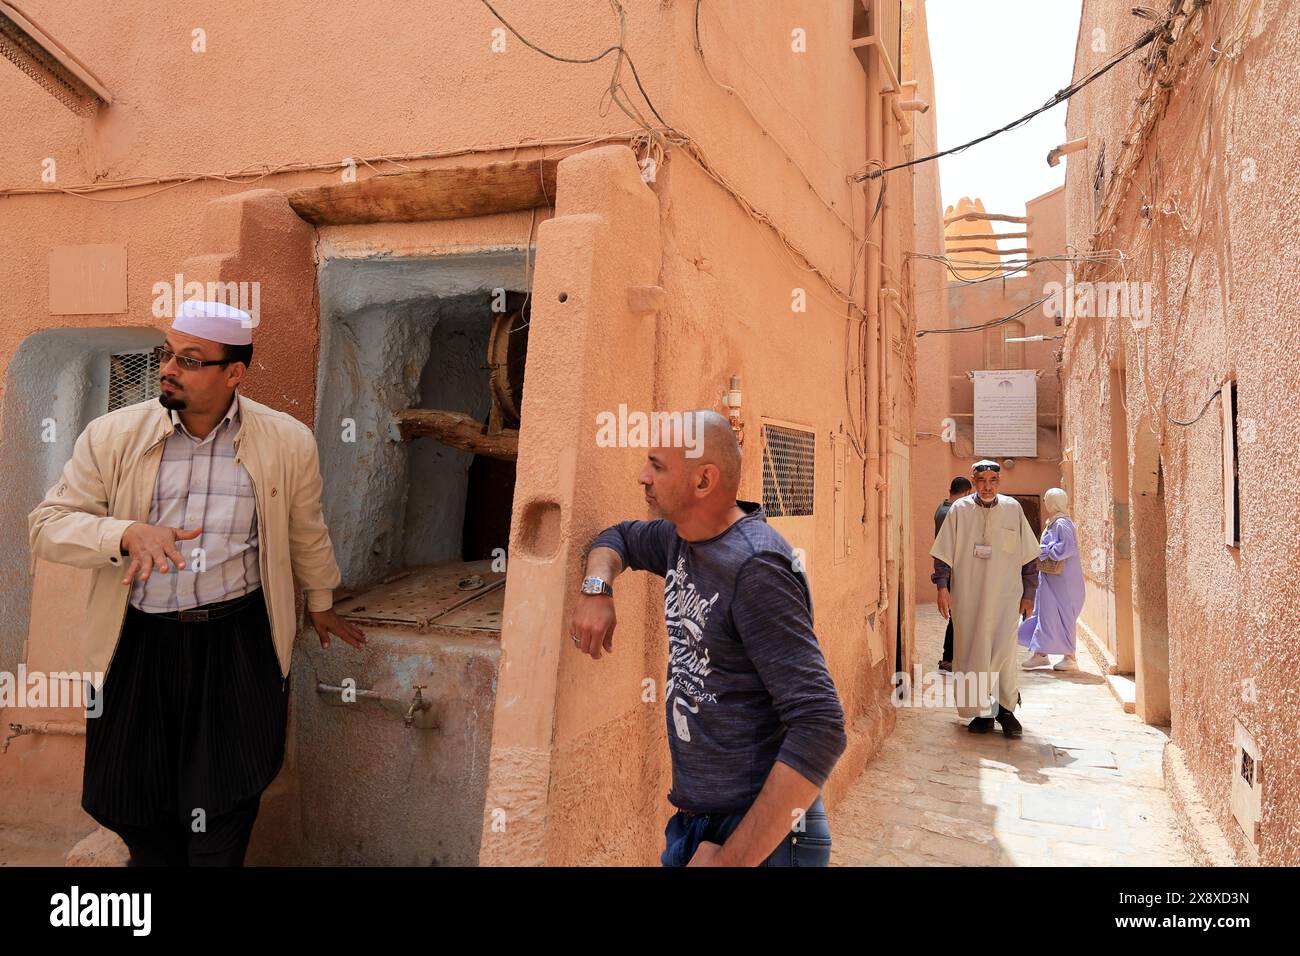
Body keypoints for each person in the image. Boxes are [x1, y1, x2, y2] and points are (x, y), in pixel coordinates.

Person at [28, 299, 365, 867]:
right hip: (137, 642)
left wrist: (322, 599)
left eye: (189, 359)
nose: (168, 368)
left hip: (236, 641)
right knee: (129, 796)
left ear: (234, 373)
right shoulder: (111, 435)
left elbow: (305, 529)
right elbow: (47, 526)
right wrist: (126, 532)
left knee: (227, 795)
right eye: (167, 353)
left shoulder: (287, 441)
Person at [570, 410, 847, 867]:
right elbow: (616, 537)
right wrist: (596, 589)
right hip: (698, 821)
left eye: (657, 466)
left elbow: (821, 724)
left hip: (765, 836)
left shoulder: (756, 568)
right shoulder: (682, 539)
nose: (643, 476)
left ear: (703, 482)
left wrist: (731, 861)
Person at [929, 460, 1040, 737]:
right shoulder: (959, 511)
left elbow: (1029, 557)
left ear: (999, 481)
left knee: (1003, 652)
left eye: (993, 480)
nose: (987, 486)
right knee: (971, 653)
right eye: (981, 481)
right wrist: (942, 587)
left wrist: (1029, 593)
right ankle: (981, 713)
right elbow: (943, 554)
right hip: (968, 597)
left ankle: (1006, 710)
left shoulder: (1013, 509)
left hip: (1005, 597)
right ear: (973, 481)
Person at [1019, 488, 1084, 671]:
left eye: (1047, 499)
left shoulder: (1062, 524)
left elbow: (1067, 549)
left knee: (1064, 616)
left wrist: (1044, 549)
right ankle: (1041, 653)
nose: (1045, 503)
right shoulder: (1053, 522)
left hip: (1064, 581)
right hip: (1052, 578)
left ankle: (1070, 657)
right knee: (1045, 613)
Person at [934, 476, 973, 673]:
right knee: (957, 616)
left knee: (957, 615)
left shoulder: (942, 508)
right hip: (952, 571)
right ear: (966, 493)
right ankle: (948, 657)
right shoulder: (952, 513)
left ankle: (951, 656)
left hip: (950, 570)